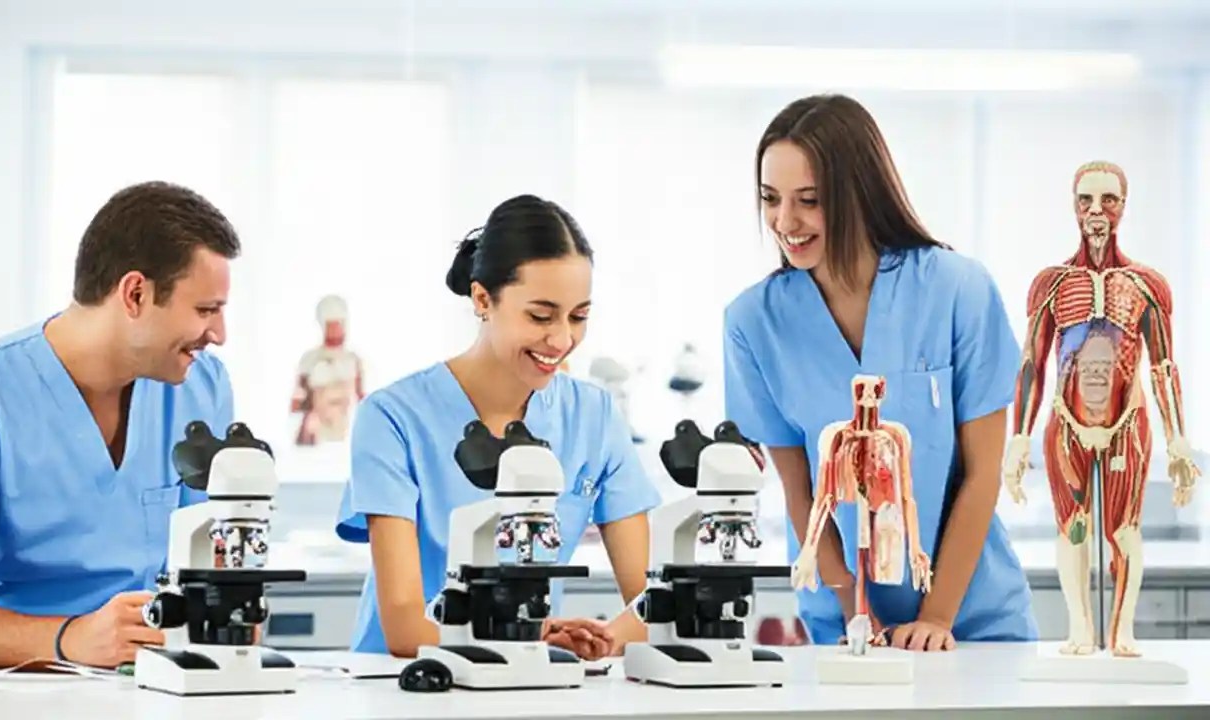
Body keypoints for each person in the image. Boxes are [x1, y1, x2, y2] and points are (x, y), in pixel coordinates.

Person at [722, 94, 1037, 652]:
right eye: (771, 199)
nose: (784, 222)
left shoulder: (957, 289)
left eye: (809, 200)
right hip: (845, 631)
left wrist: (937, 619)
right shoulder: (753, 322)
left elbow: (983, 472)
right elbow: (801, 495)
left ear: (858, 194)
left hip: (974, 620)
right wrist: (858, 619)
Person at [335, 194, 661, 659]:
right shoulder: (393, 417)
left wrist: (601, 638)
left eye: (579, 316)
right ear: (483, 299)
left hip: (528, 679)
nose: (563, 339)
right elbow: (405, 625)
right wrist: (527, 638)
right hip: (406, 684)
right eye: (540, 316)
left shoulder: (595, 417)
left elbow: (652, 600)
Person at [0, 181, 239, 669]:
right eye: (206, 310)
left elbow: (210, 556)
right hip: (11, 685)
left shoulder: (203, 387)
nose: (218, 335)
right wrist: (70, 639)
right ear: (135, 293)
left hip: (150, 676)